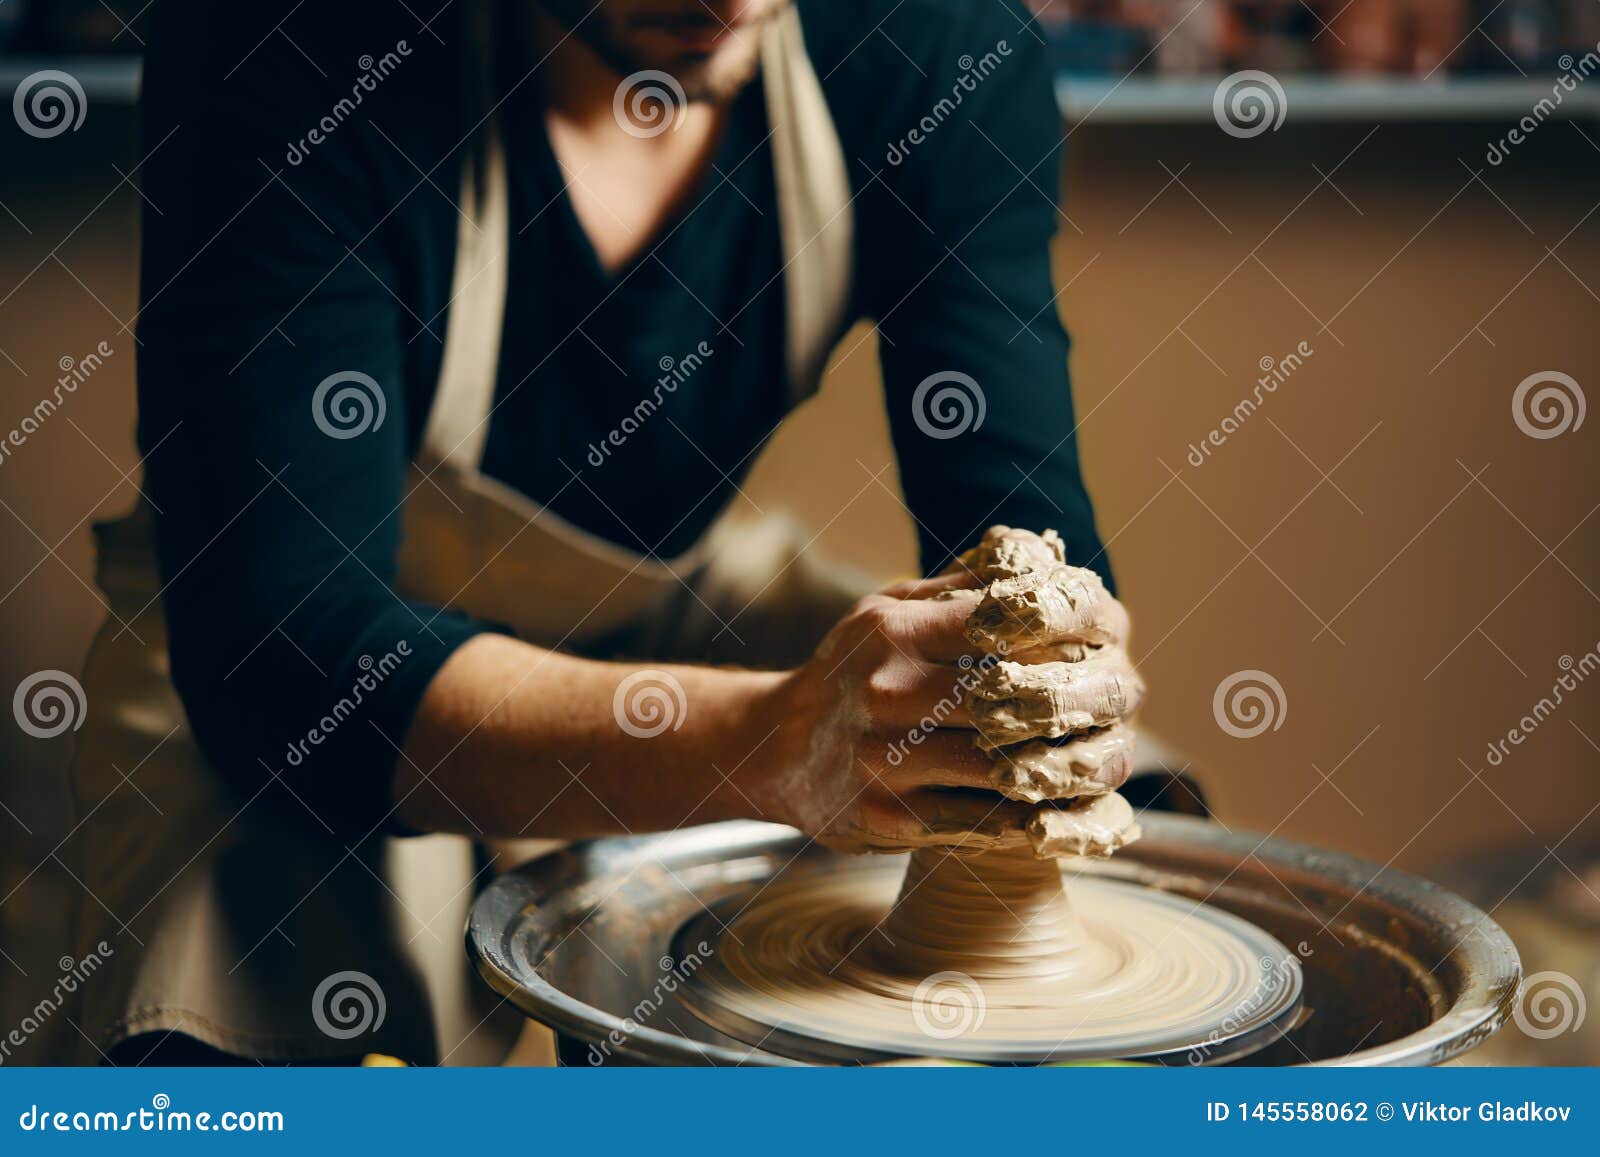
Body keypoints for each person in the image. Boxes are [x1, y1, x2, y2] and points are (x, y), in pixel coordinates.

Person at [63, 0, 1148, 1065]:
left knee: (1110, 792)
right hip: (297, 647)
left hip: (656, 592)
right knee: (246, 945)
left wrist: (1040, 684)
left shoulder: (937, 50)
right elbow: (290, 648)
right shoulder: (291, 40)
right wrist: (774, 744)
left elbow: (1020, 532)